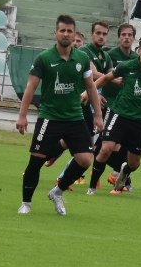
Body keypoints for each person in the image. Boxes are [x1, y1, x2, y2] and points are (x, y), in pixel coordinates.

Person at [14, 15, 104, 216]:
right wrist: (22, 115)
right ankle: (26, 203)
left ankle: (58, 191)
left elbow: (91, 87)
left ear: (74, 34)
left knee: (85, 160)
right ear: (55, 33)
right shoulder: (44, 58)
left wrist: (98, 115)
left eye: (69, 31)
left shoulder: (82, 59)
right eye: (62, 30)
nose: (65, 34)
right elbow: (31, 87)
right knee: (36, 161)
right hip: (49, 117)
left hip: (75, 118)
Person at [88, 35, 141, 195]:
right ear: (139, 50)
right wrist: (89, 91)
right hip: (119, 114)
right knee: (106, 148)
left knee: (136, 162)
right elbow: (106, 77)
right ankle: (92, 187)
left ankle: (126, 172)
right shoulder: (127, 66)